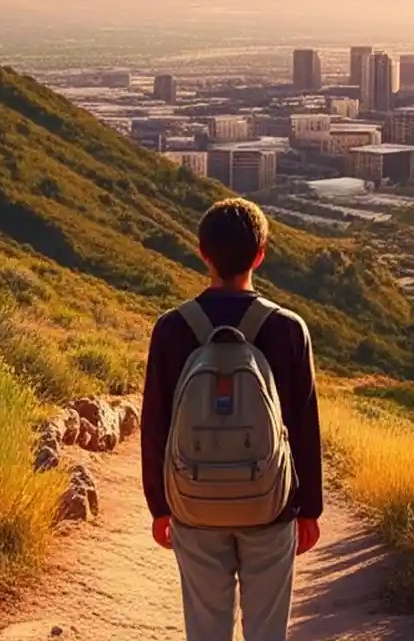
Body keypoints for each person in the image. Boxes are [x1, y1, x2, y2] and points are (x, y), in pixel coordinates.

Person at [141, 198, 323, 641]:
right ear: (260, 255)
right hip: (271, 506)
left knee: (206, 630)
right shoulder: (288, 328)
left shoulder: (172, 328)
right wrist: (309, 508)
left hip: (193, 504)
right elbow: (303, 425)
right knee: (267, 631)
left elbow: (155, 424)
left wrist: (160, 506)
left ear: (202, 252)